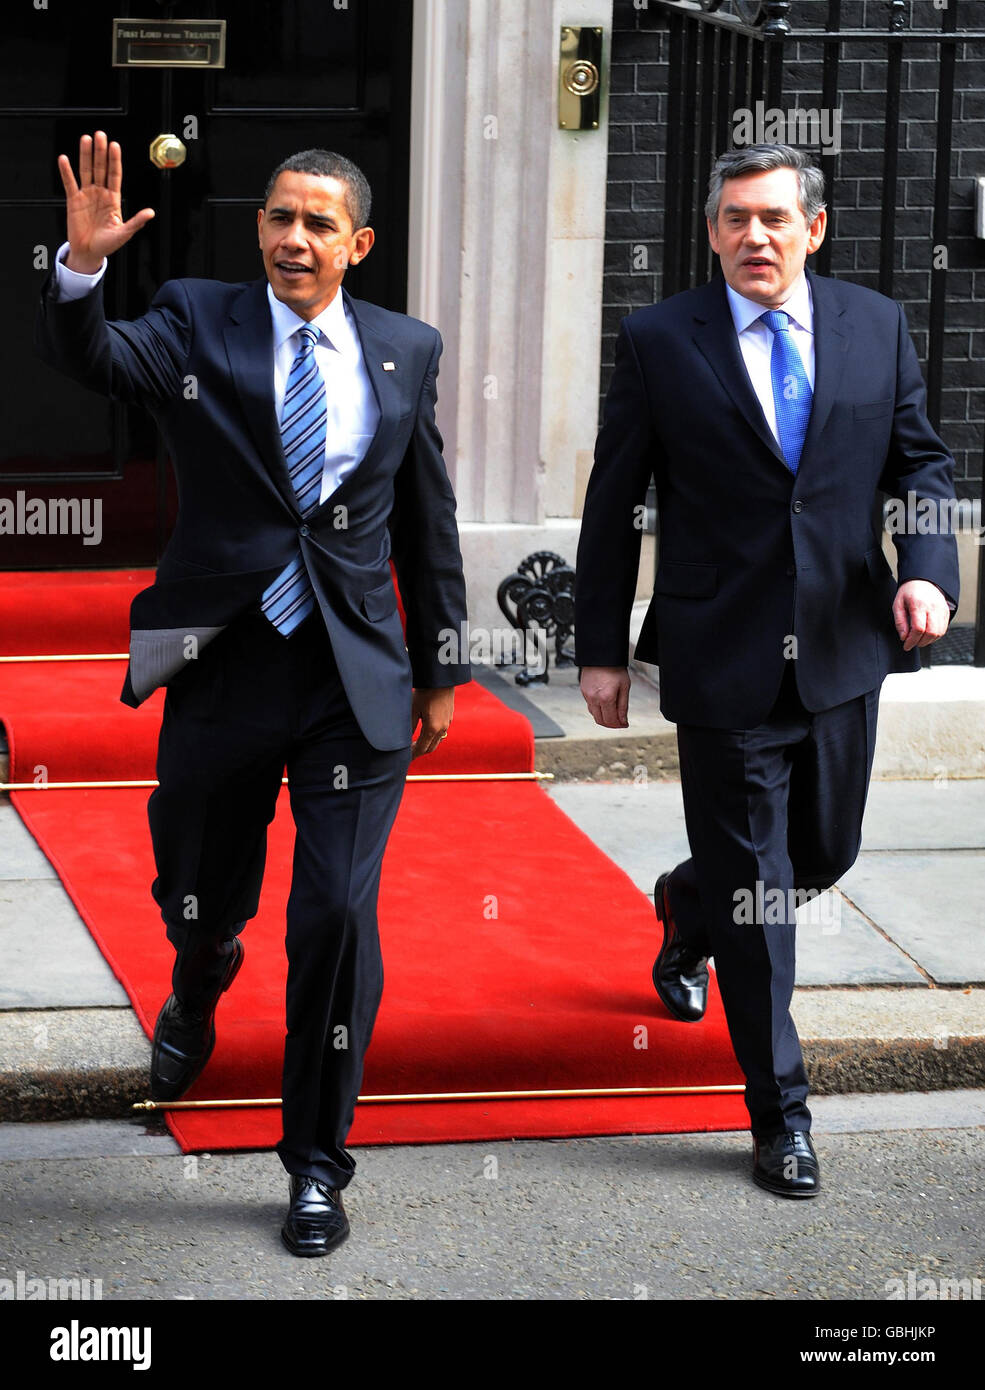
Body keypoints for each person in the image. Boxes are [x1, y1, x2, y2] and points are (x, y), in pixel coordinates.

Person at [36, 131, 471, 1253]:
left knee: (332, 914)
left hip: (350, 676)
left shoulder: (404, 349)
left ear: (357, 244)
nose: (291, 237)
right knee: (195, 881)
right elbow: (98, 362)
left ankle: (316, 1163)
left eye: (317, 222)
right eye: (278, 216)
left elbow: (426, 515)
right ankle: (200, 972)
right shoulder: (193, 318)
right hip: (223, 660)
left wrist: (441, 666)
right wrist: (80, 273)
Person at [575, 144, 959, 1198]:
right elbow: (615, 497)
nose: (755, 236)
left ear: (813, 229)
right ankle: (778, 1114)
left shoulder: (872, 326)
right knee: (765, 899)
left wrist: (926, 572)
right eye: (735, 219)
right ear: (710, 233)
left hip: (842, 646)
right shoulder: (660, 340)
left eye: (775, 219)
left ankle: (682, 903)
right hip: (722, 651)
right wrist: (600, 647)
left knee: (820, 855)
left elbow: (920, 462)